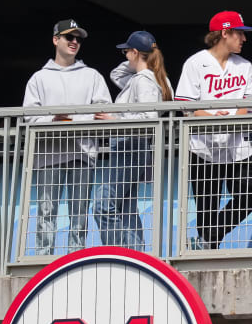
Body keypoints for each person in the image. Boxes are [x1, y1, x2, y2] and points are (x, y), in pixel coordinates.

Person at [23, 19, 114, 256]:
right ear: (56, 40)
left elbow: (104, 112)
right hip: (48, 155)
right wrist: (54, 119)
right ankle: (43, 263)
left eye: (78, 39)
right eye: (69, 37)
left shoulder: (92, 75)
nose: (74, 42)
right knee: (46, 212)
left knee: (79, 214)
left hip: (81, 154)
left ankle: (76, 261)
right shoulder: (38, 78)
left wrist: (73, 120)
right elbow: (28, 119)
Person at [176, 11, 252, 249]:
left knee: (250, 195)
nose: (243, 39)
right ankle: (207, 250)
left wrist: (230, 119)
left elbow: (249, 105)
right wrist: (213, 117)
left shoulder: (244, 66)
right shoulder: (195, 62)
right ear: (225, 32)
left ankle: (208, 239)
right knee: (206, 204)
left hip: (237, 146)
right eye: (239, 33)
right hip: (203, 147)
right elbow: (186, 106)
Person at [96, 30, 172, 250]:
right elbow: (116, 74)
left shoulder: (144, 81)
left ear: (136, 52)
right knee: (126, 210)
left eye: (127, 50)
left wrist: (114, 119)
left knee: (103, 205)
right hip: (130, 148)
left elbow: (148, 119)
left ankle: (117, 256)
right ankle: (135, 257)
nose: (124, 54)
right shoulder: (146, 77)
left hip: (130, 147)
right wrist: (137, 60)